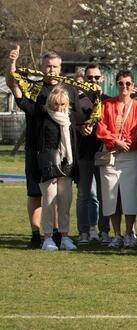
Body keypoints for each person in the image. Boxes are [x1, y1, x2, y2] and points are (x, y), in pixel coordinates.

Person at [6, 46, 79, 249]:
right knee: (37, 194)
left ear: (60, 68)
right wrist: (11, 64)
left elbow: (79, 118)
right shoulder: (33, 89)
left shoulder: (69, 90)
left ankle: (60, 234)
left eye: (55, 66)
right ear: (42, 66)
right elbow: (14, 86)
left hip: (65, 154)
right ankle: (37, 234)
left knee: (63, 197)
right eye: (48, 66)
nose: (51, 70)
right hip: (38, 151)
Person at [96, 70, 137, 249]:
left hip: (130, 156)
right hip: (111, 155)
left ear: (133, 87)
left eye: (128, 84)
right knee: (111, 196)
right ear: (115, 85)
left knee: (130, 195)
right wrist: (114, 141)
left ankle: (129, 232)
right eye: (120, 83)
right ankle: (116, 234)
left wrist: (128, 143)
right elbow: (100, 128)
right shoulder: (106, 105)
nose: (124, 87)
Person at [36, 86, 77, 250]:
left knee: (65, 201)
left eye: (62, 104)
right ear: (50, 103)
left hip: (67, 164)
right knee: (48, 201)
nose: (59, 108)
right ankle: (47, 237)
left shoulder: (69, 119)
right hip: (49, 166)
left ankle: (65, 236)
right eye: (56, 104)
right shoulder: (44, 119)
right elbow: (38, 144)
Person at [74, 64, 105, 244]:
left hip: (102, 155)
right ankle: (83, 231)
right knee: (84, 195)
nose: (93, 81)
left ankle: (101, 230)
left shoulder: (106, 100)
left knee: (101, 196)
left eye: (96, 77)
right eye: (89, 78)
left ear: (101, 79)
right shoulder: (77, 101)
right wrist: (80, 129)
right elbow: (69, 124)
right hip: (84, 154)